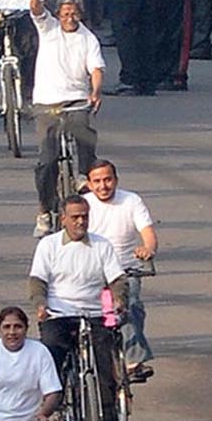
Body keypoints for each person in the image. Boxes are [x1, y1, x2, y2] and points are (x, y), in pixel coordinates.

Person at [27, 195, 128, 421]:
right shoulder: (48, 245)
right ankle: (56, 399)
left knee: (104, 367)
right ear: (63, 219)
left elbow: (117, 279)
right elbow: (38, 281)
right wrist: (40, 305)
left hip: (94, 313)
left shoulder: (101, 245)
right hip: (58, 313)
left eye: (84, 216)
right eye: (75, 217)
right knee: (51, 352)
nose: (80, 221)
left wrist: (118, 299)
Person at [27, 0, 103, 229]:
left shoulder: (88, 38)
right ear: (58, 14)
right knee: (46, 159)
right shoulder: (48, 28)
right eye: (65, 13)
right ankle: (44, 209)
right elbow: (35, 7)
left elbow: (96, 69)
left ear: (80, 14)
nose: (70, 18)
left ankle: (83, 176)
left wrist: (95, 92)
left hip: (77, 100)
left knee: (85, 133)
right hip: (46, 103)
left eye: (74, 13)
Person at [82, 159, 158, 378]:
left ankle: (133, 362)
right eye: (97, 181)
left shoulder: (131, 201)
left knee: (129, 305)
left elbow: (148, 233)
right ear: (89, 184)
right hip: (91, 272)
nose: (103, 186)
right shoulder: (83, 206)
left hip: (125, 271)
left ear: (116, 180)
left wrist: (148, 248)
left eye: (107, 180)